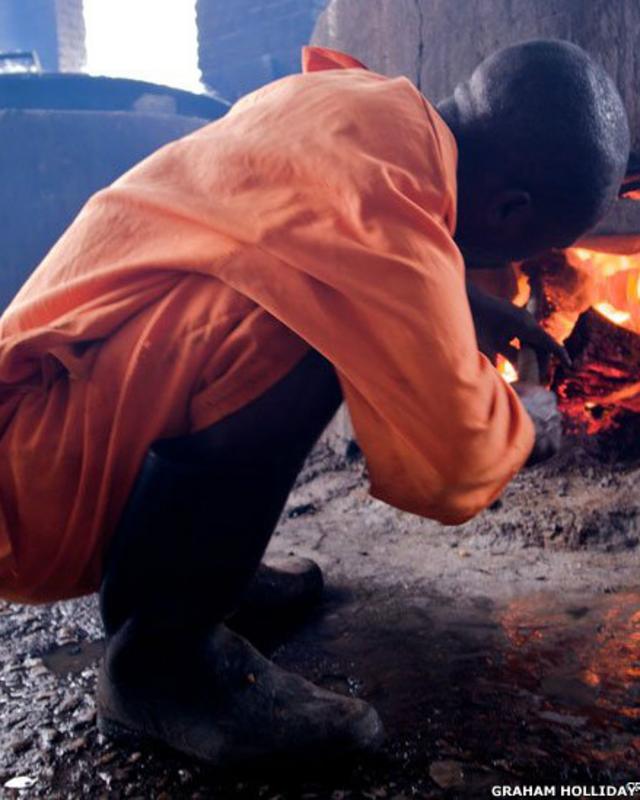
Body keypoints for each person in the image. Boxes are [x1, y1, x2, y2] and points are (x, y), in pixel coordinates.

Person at [0, 40, 629, 764]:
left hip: (39, 420)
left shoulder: (366, 111)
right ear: (511, 209)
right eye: (531, 249)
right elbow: (456, 461)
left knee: (315, 302)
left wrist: (460, 303)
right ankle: (163, 660)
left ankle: (192, 574)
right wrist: (532, 420)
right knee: (300, 328)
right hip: (29, 495)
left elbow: (350, 224)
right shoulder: (385, 203)